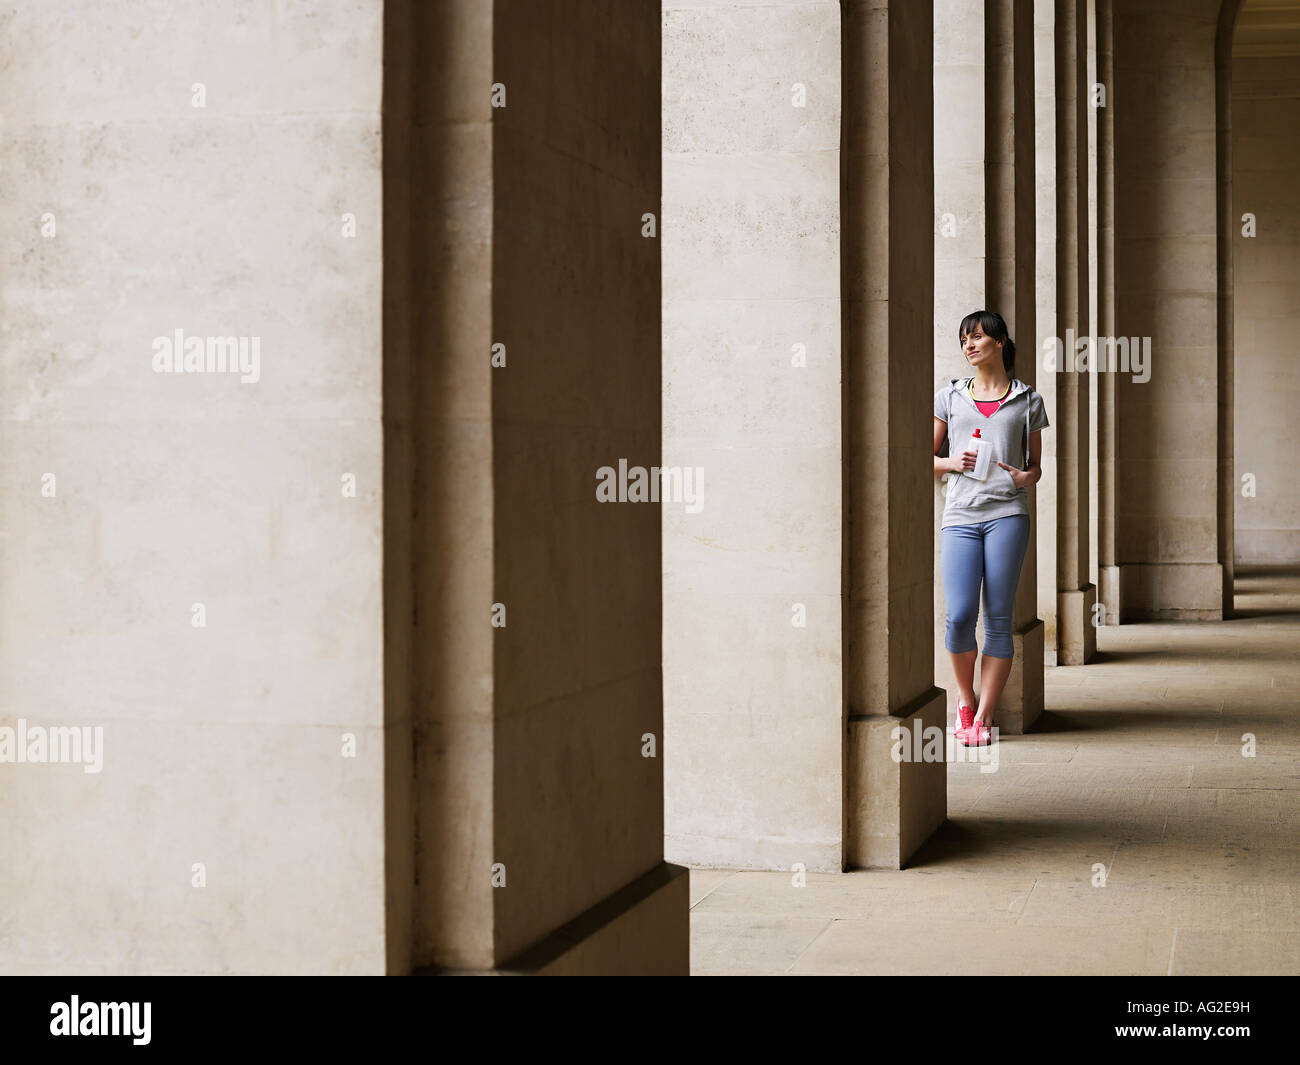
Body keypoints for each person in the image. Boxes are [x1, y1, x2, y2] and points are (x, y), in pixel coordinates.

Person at [932, 310, 1049, 746]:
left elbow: (1035, 466)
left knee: (998, 619)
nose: (969, 345)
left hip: (1007, 516)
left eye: (978, 337)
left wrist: (1025, 478)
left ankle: (984, 715)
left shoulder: (1028, 399)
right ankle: (964, 701)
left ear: (1000, 342)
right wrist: (950, 462)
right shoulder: (949, 397)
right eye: (964, 339)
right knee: (959, 616)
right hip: (961, 516)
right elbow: (927, 458)